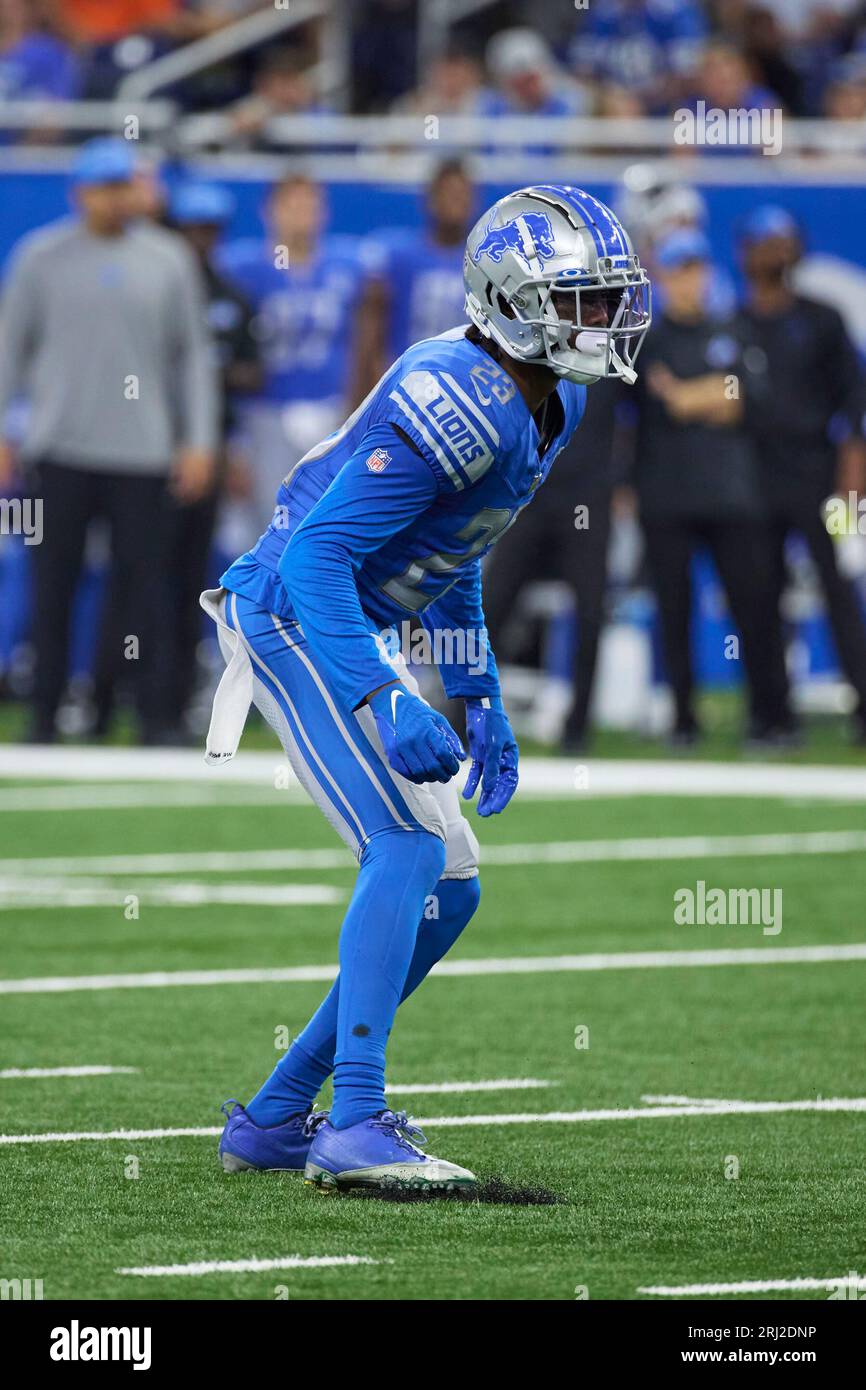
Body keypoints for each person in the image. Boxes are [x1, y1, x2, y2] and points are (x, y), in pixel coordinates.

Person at [206, 184, 651, 1192]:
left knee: (451, 889)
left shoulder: (553, 399)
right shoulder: (451, 391)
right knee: (405, 845)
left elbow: (452, 554)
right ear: (511, 300)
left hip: (344, 616)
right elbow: (317, 556)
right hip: (287, 607)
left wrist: (476, 689)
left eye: (605, 297)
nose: (602, 319)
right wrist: (379, 695)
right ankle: (354, 1118)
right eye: (579, 298)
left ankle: (277, 1114)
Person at [0, 136, 218, 744]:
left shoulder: (168, 258)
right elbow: (8, 352)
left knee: (146, 589)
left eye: (126, 185)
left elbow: (192, 359)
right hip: (58, 448)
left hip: (144, 453)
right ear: (80, 193)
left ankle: (152, 716)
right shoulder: (40, 258)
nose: (118, 197)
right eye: (106, 187)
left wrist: (197, 441)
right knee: (52, 587)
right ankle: (43, 715)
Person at [632, 227, 793, 745]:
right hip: (667, 495)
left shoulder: (734, 330)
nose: (688, 281)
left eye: (695, 269)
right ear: (664, 277)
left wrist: (686, 395)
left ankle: (770, 718)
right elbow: (666, 401)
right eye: (678, 270)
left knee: (755, 607)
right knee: (673, 612)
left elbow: (744, 398)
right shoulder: (647, 339)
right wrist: (710, 395)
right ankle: (683, 720)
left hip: (733, 495)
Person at [737, 205, 866, 742]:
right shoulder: (734, 324)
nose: (775, 252)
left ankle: (863, 703)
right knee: (760, 595)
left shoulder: (822, 318)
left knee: (840, 588)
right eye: (765, 243)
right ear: (746, 254)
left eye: (783, 241)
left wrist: (852, 477)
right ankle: (771, 715)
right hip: (752, 480)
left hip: (822, 478)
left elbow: (853, 403)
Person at [160, 180, 262, 733]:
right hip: (151, 449)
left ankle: (179, 699)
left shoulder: (229, 296)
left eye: (209, 229)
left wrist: (204, 372)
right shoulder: (159, 289)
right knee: (148, 576)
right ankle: (143, 692)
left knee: (199, 578)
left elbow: (253, 369)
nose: (201, 239)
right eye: (192, 227)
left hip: (212, 448)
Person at [218, 173, 371, 535]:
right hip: (265, 414)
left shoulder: (348, 265)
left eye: (311, 203)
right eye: (293, 204)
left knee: (327, 531)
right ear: (269, 211)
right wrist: (234, 441)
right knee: (266, 531)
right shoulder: (242, 268)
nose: (303, 213)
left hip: (332, 412)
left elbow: (365, 343)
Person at [356, 159, 475, 393]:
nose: (455, 203)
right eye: (448, 194)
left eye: (461, 195)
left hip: (467, 389)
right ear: (430, 199)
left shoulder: (483, 261)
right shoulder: (400, 259)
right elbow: (373, 335)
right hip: (407, 385)